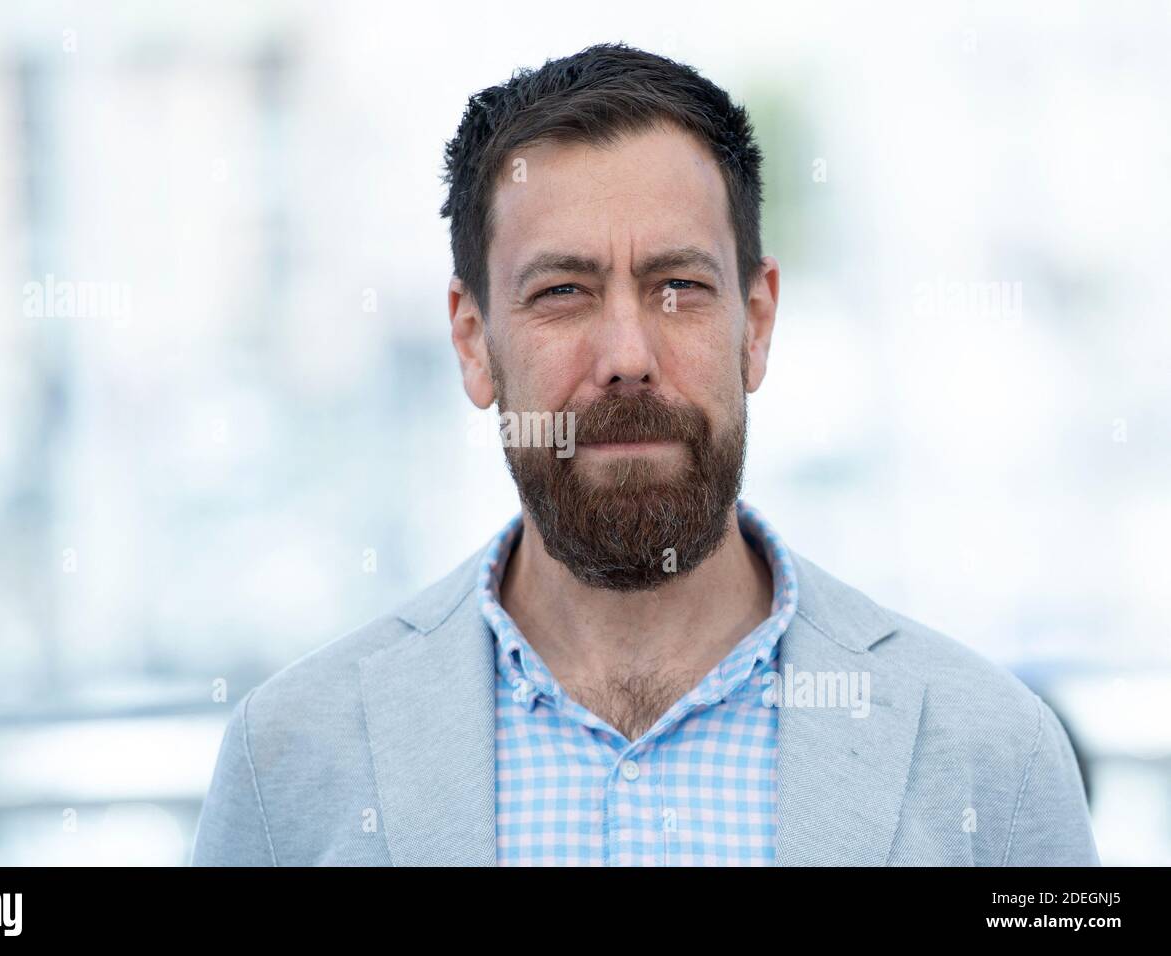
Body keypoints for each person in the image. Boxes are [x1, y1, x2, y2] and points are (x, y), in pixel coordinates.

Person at [191, 42, 1100, 866]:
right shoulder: (290, 764)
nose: (627, 356)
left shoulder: (995, 756)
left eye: (678, 285)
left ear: (759, 323)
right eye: (562, 291)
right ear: (473, 342)